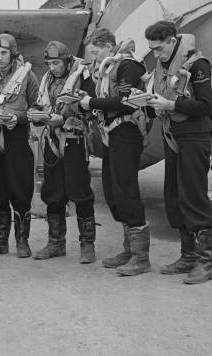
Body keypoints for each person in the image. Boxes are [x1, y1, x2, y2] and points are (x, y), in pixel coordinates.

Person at [145, 20, 212, 284]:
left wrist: (169, 103)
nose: (155, 55)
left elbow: (204, 106)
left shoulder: (198, 65)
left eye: (159, 49)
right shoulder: (162, 67)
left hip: (194, 138)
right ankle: (188, 255)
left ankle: (206, 262)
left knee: (194, 198)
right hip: (173, 137)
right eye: (152, 49)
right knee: (174, 197)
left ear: (173, 41)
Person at [79, 28, 151, 276]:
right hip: (112, 135)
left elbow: (124, 101)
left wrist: (90, 103)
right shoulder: (110, 67)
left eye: (97, 53)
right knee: (113, 192)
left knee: (127, 191)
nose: (95, 58)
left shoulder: (129, 66)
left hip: (127, 134)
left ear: (109, 46)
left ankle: (141, 257)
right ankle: (129, 249)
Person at [29, 41, 97, 264]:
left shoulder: (83, 77)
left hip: (74, 141)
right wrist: (38, 116)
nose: (52, 67)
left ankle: (87, 245)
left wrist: (67, 118)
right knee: (52, 192)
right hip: (50, 139)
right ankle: (56, 243)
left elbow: (93, 110)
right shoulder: (47, 79)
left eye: (56, 62)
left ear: (68, 61)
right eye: (49, 63)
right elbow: (42, 105)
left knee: (80, 191)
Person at [0, 33, 40, 258]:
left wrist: (18, 118)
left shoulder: (27, 76)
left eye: (4, 53)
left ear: (13, 53)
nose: (0, 57)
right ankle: (0, 241)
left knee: (20, 188)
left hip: (16, 137)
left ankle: (22, 241)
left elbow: (37, 108)